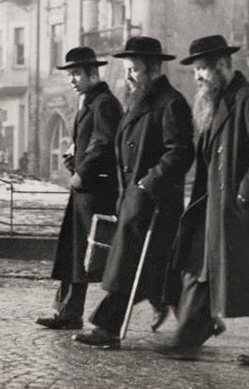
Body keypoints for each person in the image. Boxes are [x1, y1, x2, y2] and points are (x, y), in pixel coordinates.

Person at [158, 35, 249, 365]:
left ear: (223, 66)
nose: (198, 78)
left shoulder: (248, 99)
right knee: (198, 266)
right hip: (215, 207)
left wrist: (244, 193)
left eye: (203, 70)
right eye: (195, 72)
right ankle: (187, 338)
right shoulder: (218, 103)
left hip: (246, 209)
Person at [73, 36, 195, 350]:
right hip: (134, 198)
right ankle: (197, 323)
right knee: (156, 267)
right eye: (127, 70)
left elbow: (180, 153)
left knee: (131, 264)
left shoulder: (171, 103)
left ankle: (107, 327)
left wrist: (148, 184)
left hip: (155, 202)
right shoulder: (138, 101)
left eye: (134, 70)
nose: (128, 76)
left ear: (153, 69)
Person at [35, 46, 122, 331]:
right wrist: (75, 156)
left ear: (92, 73)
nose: (71, 80)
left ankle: (160, 301)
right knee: (76, 253)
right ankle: (67, 313)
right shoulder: (90, 102)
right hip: (85, 191)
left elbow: (104, 143)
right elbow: (89, 142)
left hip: (96, 192)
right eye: (70, 74)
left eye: (76, 74)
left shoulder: (104, 103)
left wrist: (82, 172)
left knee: (93, 256)